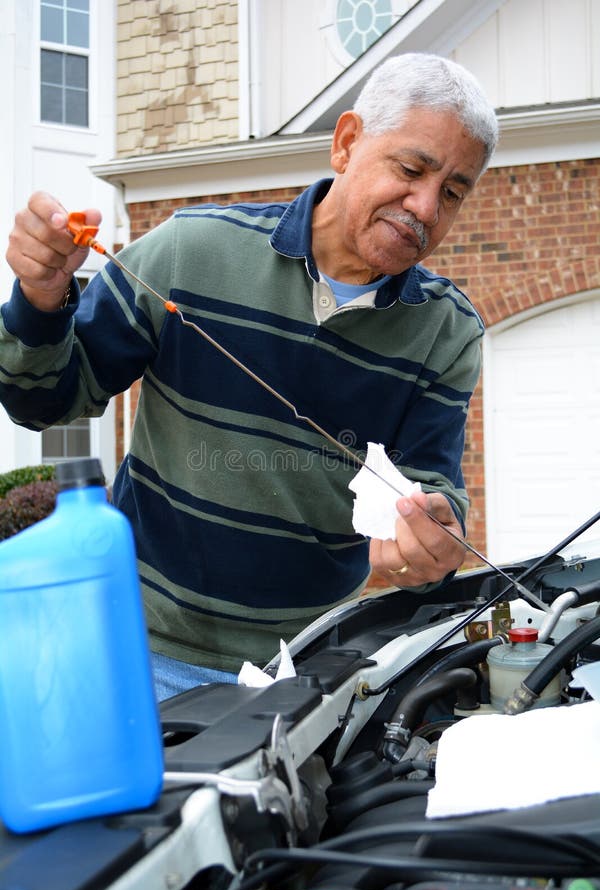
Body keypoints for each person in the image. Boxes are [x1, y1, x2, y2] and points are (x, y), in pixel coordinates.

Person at [1, 53, 498, 701]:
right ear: (347, 143)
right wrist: (39, 302)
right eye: (411, 169)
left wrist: (439, 537)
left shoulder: (448, 329)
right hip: (136, 649)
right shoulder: (191, 250)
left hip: (310, 671)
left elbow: (436, 491)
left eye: (454, 191)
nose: (426, 206)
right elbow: (44, 400)